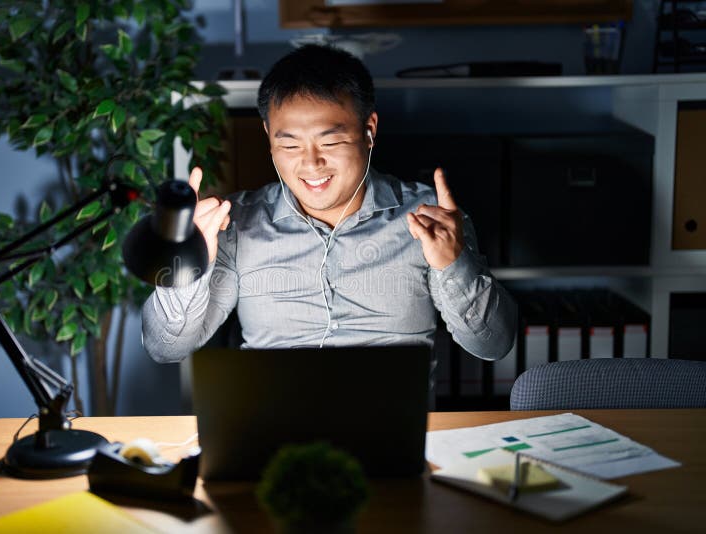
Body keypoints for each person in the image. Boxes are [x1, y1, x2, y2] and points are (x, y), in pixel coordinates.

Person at [141, 44, 516, 365]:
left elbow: (495, 345)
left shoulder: (431, 218)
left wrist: (454, 264)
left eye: (330, 142)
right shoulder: (235, 223)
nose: (310, 163)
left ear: (369, 130)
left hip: (389, 433)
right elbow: (165, 348)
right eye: (289, 144)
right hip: (270, 431)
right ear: (268, 137)